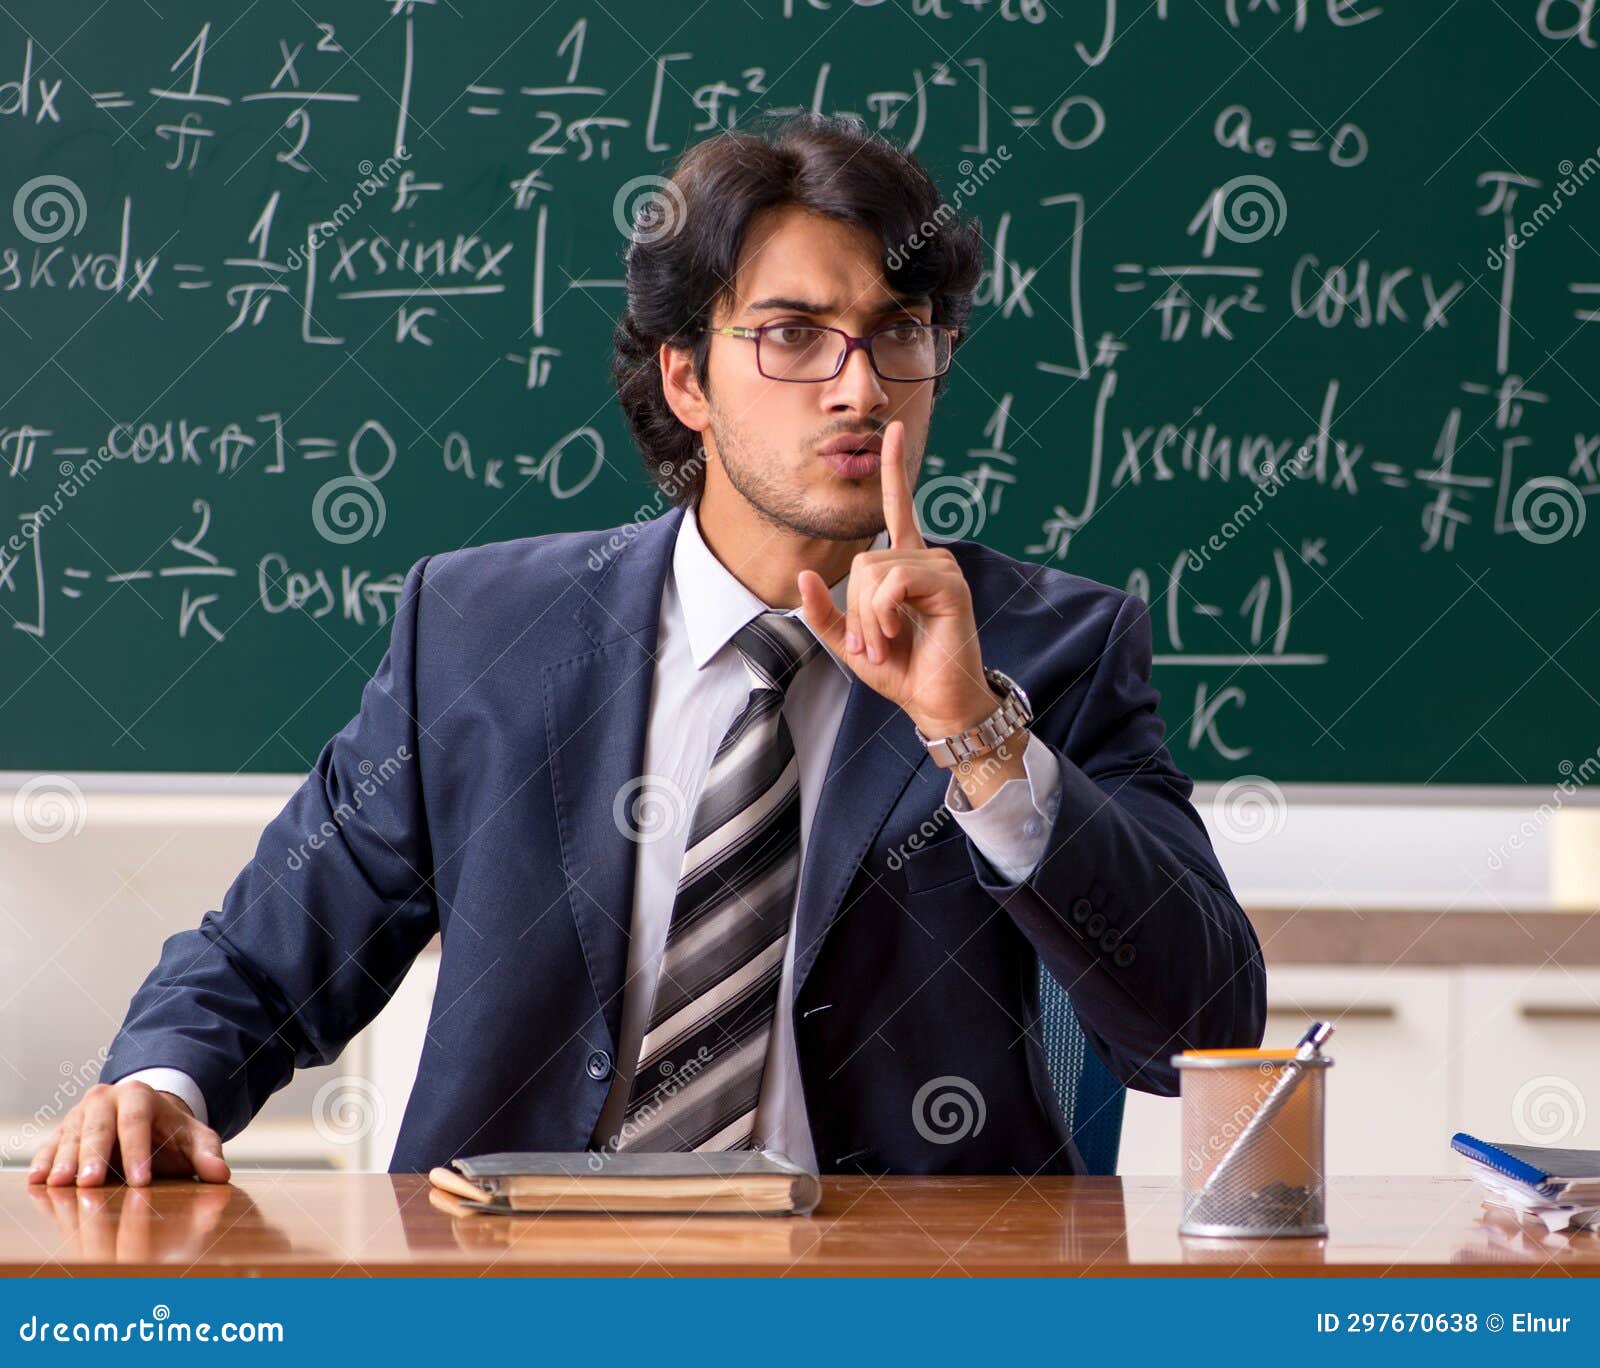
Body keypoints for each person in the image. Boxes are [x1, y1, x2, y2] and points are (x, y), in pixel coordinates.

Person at [31, 113, 1265, 1188]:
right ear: (686, 378)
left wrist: (978, 736)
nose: (859, 388)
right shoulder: (480, 631)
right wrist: (161, 1087)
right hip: (519, 1289)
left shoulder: (1050, 648)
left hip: (891, 1295)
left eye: (900, 333)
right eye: (791, 333)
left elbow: (1201, 1027)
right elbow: (266, 953)